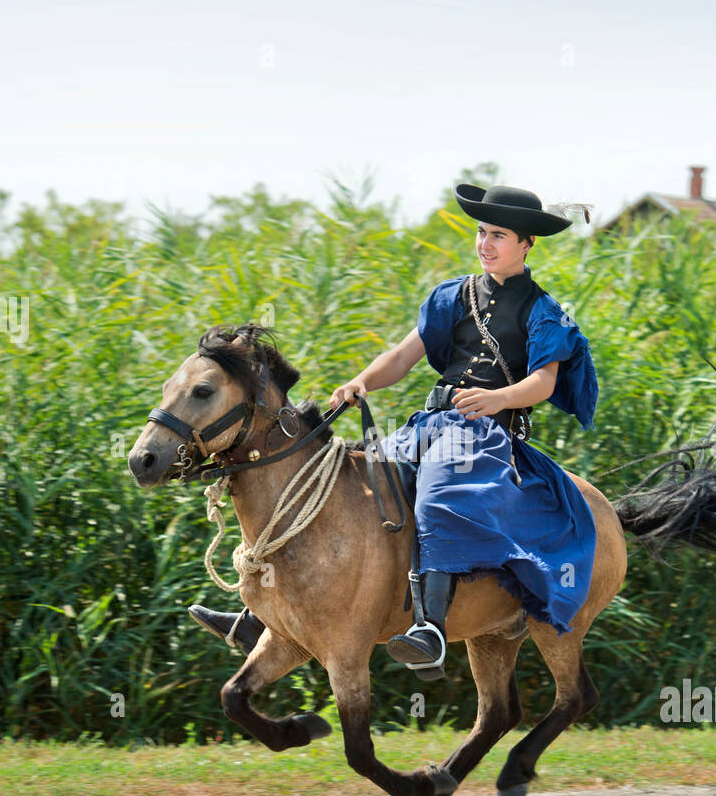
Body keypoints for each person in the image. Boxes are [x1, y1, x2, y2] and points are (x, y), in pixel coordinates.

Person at [189, 184, 599, 680]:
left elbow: (543, 381)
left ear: (527, 243)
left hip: (486, 434)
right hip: (431, 424)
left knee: (437, 499)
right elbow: (403, 358)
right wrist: (363, 380)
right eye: (482, 232)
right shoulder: (453, 295)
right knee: (353, 484)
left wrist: (497, 398)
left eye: (499, 235)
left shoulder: (543, 312)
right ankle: (263, 617)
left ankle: (430, 628)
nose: (486, 244)